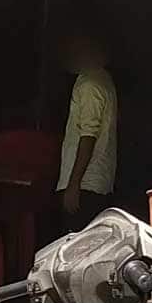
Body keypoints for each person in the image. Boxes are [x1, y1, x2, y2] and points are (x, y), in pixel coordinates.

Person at [55, 35, 118, 234]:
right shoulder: (101, 79)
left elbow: (88, 136)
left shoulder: (90, 84)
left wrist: (73, 184)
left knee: (76, 245)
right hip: (94, 184)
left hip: (85, 185)